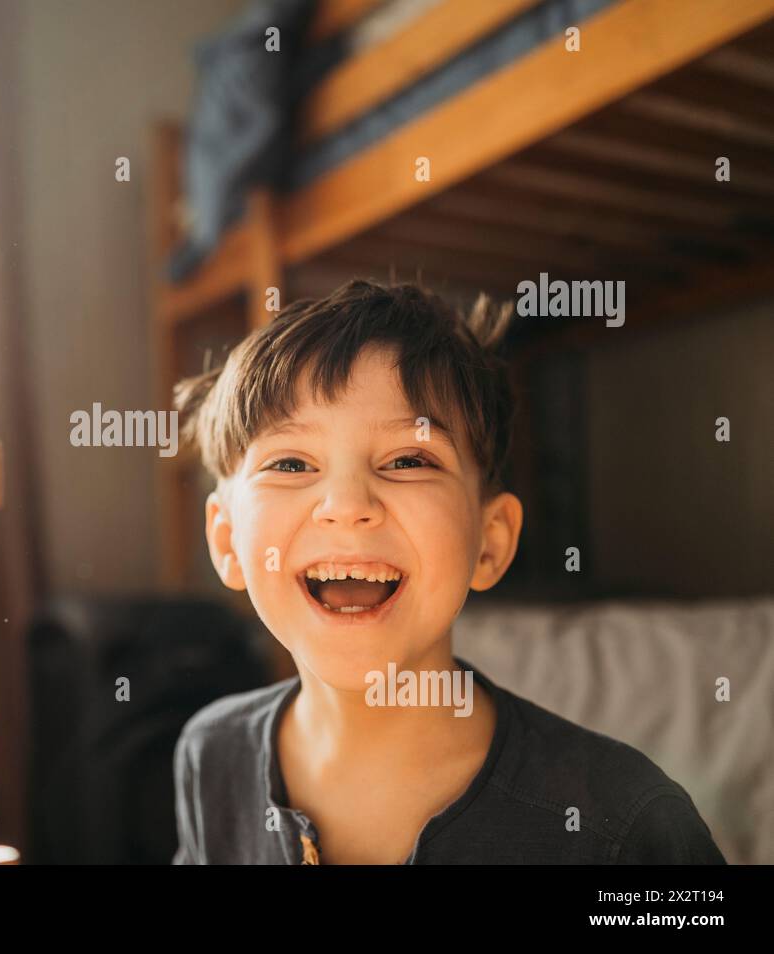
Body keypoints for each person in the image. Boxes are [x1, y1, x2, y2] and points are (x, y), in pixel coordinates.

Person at [169, 280, 725, 864]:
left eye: (409, 460)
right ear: (227, 541)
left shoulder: (624, 822)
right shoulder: (211, 758)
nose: (346, 502)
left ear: (489, 543)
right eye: (290, 463)